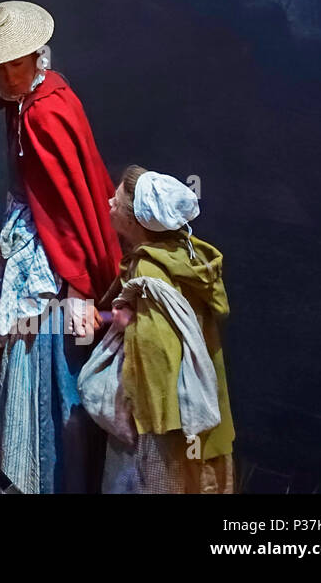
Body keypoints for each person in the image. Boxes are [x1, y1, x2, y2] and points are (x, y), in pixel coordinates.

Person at [0, 1, 119, 493]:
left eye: (15, 63)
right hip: (31, 245)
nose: (6, 76)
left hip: (47, 263)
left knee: (51, 383)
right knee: (42, 375)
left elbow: (68, 207)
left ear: (34, 54)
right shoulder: (38, 97)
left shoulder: (44, 113)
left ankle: (44, 480)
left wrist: (78, 285)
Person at [100, 166, 235, 493]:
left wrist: (122, 325)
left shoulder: (147, 271)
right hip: (205, 414)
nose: (108, 203)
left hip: (167, 428)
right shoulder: (187, 255)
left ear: (135, 222)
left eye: (116, 202)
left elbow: (156, 356)